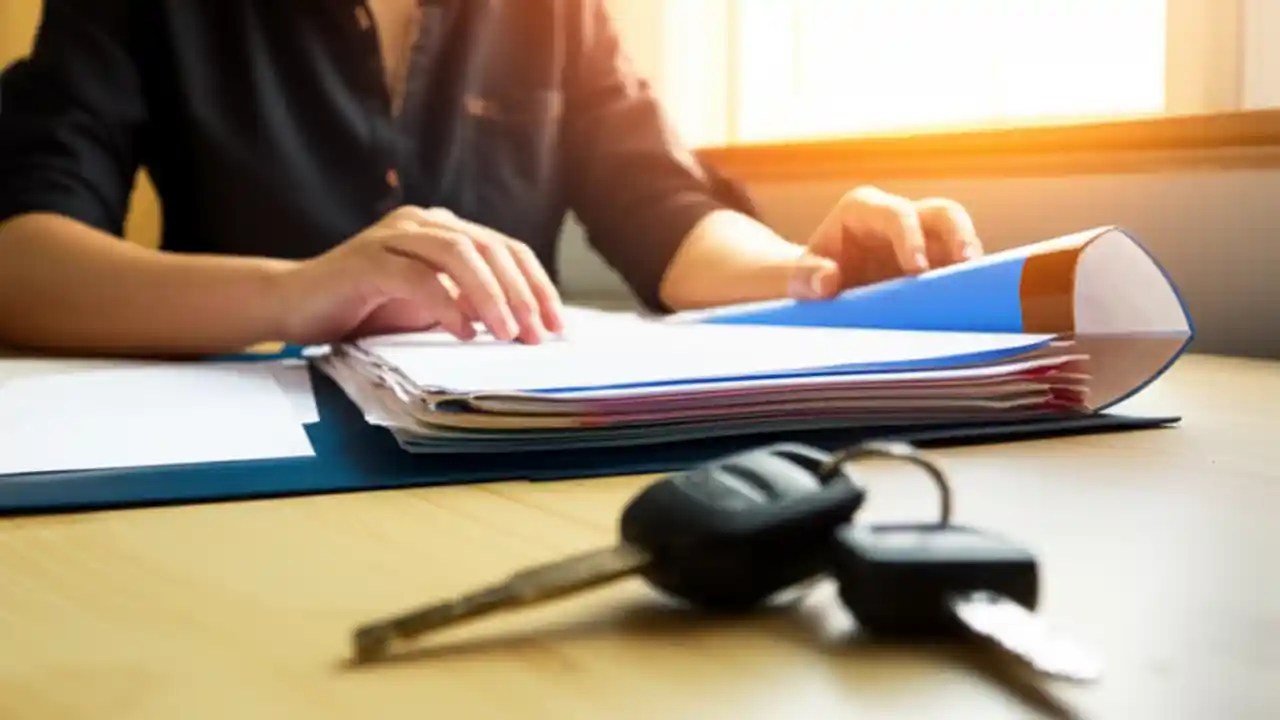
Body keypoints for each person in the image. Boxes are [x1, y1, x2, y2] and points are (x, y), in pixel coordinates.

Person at [0, 0, 984, 356]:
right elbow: (22, 262)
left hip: (500, 456)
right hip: (235, 455)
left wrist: (807, 273)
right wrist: (298, 293)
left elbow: (661, 209)